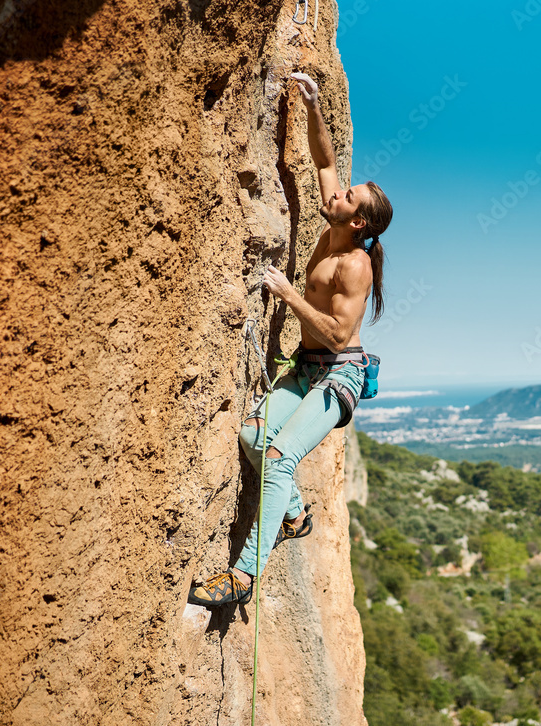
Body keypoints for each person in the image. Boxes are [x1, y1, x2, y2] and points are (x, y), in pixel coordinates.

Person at [188, 72, 392, 607]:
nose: (339, 192)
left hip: (337, 376)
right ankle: (295, 514)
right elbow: (324, 161)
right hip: (306, 366)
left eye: (350, 195)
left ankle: (242, 577)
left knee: (277, 456)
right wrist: (313, 105)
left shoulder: (355, 265)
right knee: (254, 436)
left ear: (361, 221)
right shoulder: (333, 225)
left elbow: (338, 330)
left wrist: (286, 294)